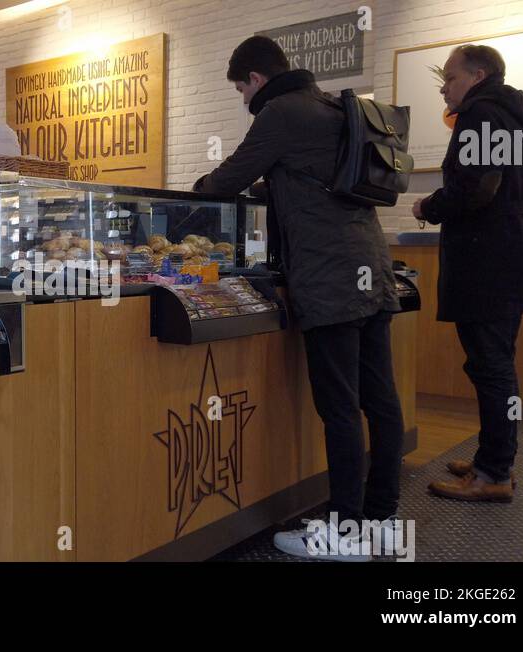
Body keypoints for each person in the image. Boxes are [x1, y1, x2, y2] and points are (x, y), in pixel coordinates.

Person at [194, 36, 403, 561]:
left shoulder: (280, 113)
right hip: (370, 268)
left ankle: (345, 533)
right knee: (379, 397)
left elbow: (226, 179)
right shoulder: (332, 105)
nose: (243, 98)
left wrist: (195, 188)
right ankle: (379, 515)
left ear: (255, 79)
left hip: (329, 276)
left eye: (241, 88)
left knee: (338, 408)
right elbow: (315, 181)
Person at [414, 45, 523, 502]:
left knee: (490, 366)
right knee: (497, 364)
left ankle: (493, 475)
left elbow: (476, 188)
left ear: (477, 74)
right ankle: (495, 459)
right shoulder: (520, 118)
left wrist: (427, 206)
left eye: (449, 78)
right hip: (516, 255)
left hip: (488, 259)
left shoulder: (482, 114)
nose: (444, 88)